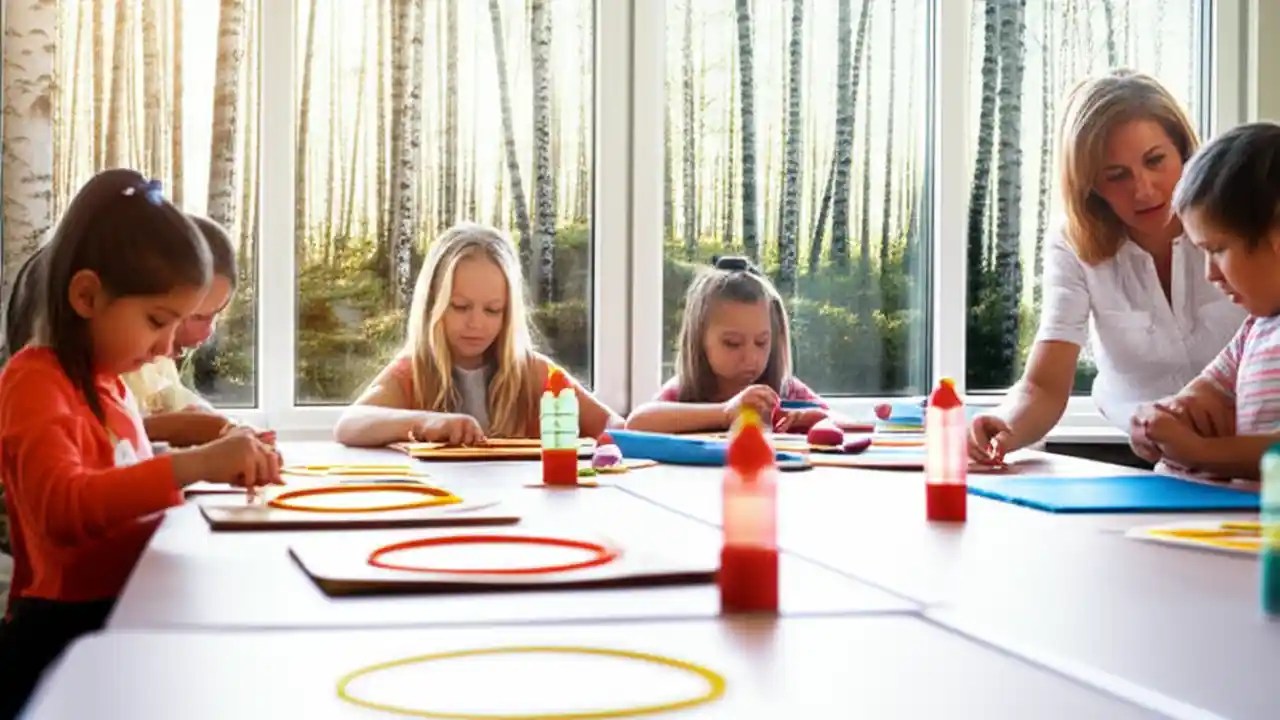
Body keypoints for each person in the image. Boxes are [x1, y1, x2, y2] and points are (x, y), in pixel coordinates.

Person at [0, 169, 281, 719]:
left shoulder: (109, 383)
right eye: (158, 321)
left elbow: (124, 488)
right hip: (61, 636)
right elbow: (65, 508)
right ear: (86, 295)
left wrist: (210, 483)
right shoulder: (32, 382)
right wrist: (189, 466)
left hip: (121, 611)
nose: (167, 347)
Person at [968, 70, 1244, 465]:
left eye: (1155, 161)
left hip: (1259, 453)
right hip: (1153, 465)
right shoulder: (1073, 244)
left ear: (1185, 152)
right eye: (1116, 175)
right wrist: (1002, 426)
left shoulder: (1244, 221)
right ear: (1090, 185)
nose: (1143, 189)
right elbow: (1044, 386)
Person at [334, 222, 623, 446]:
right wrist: (425, 422)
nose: (476, 323)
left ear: (508, 313)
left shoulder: (532, 372)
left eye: (493, 310)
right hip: (442, 513)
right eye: (460, 307)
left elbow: (611, 424)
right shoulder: (413, 371)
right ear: (433, 305)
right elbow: (350, 424)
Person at [1128, 123, 1280, 481]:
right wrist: (1162, 418)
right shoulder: (1255, 331)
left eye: (1218, 250)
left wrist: (1203, 454)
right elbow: (1204, 392)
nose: (1211, 273)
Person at [626, 256, 828, 434]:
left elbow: (848, 423)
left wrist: (811, 417)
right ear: (699, 340)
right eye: (733, 343)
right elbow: (637, 422)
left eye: (761, 342)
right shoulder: (684, 391)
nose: (750, 357)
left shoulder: (785, 389)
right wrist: (725, 412)